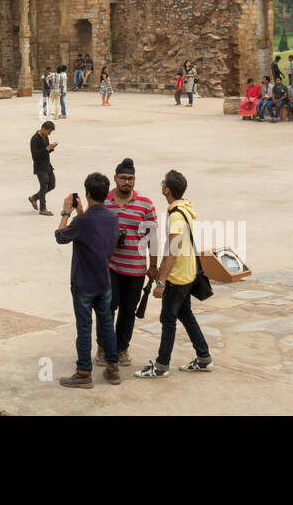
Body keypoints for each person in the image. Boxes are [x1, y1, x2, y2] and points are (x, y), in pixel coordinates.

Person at [135, 169, 213, 378]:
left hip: (177, 278)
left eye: (163, 182)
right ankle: (204, 357)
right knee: (185, 315)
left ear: (167, 189)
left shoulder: (177, 217)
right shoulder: (184, 209)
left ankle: (161, 365)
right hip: (188, 274)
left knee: (168, 319)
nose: (161, 185)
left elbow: (172, 252)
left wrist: (161, 281)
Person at [54, 173, 121, 388]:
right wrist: (81, 212)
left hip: (83, 283)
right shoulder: (112, 218)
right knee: (107, 325)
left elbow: (61, 236)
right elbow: (92, 230)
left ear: (88, 193)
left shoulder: (81, 221)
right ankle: (113, 368)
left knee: (84, 328)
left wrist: (66, 211)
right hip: (104, 282)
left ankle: (84, 373)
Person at [103, 158, 160, 368]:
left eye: (131, 178)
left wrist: (153, 266)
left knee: (128, 310)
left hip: (136, 269)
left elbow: (153, 238)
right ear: (115, 178)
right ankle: (104, 345)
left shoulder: (145, 204)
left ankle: (121, 347)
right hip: (110, 267)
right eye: (123, 178)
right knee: (108, 308)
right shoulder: (105, 201)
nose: (127, 182)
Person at [28, 120, 58, 216]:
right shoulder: (34, 139)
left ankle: (34, 198)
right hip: (40, 168)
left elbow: (46, 151)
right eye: (48, 132)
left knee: (52, 185)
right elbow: (35, 156)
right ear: (43, 129)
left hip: (47, 165)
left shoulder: (45, 137)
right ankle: (43, 208)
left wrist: (51, 148)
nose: (49, 134)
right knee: (44, 186)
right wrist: (46, 149)